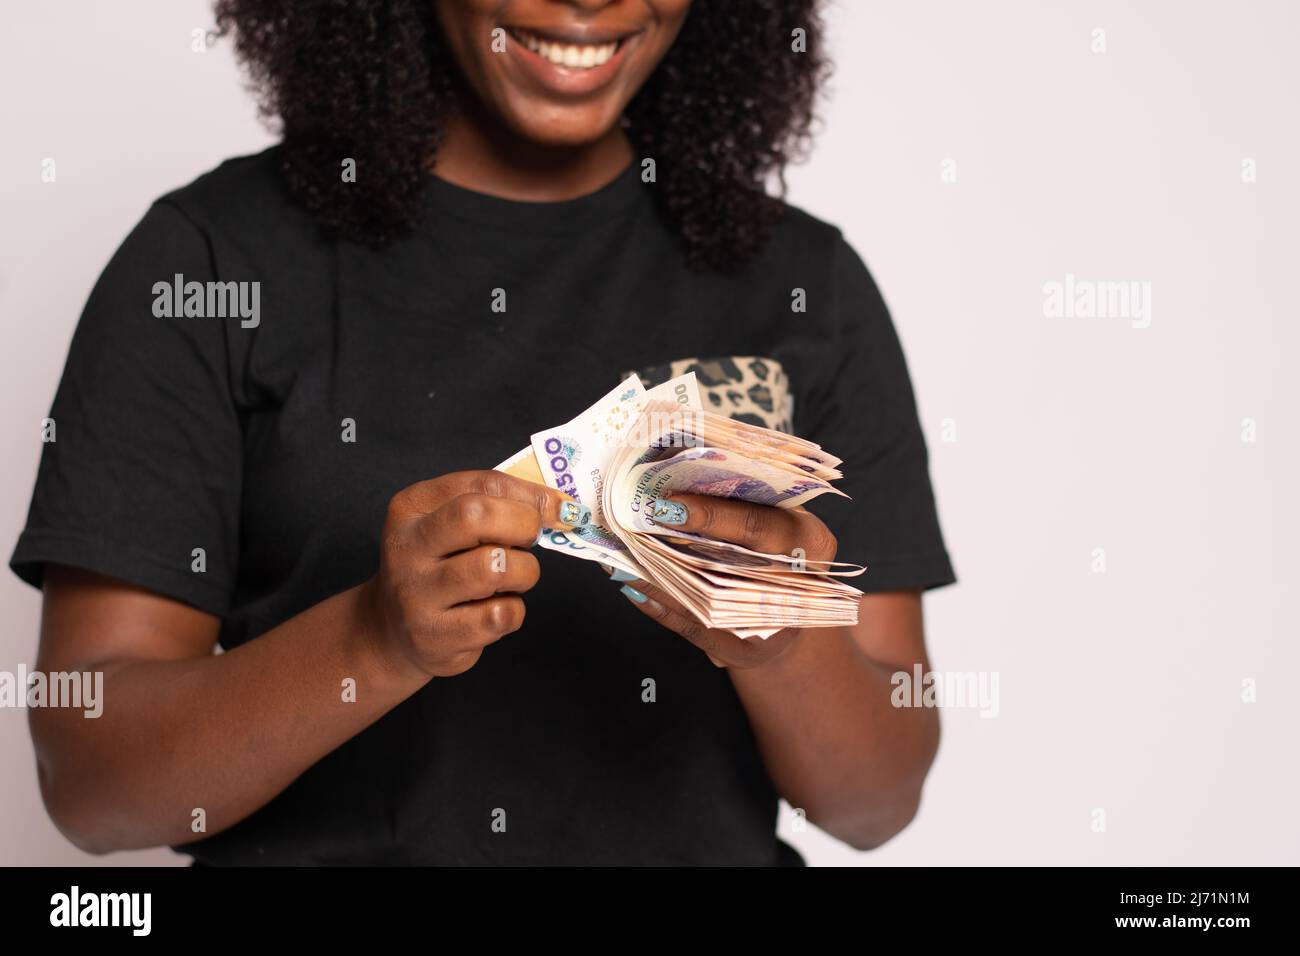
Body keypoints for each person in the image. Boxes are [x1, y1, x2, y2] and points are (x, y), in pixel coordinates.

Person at [11, 0, 955, 865]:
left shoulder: (808, 286)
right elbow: (91, 789)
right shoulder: (212, 264)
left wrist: (783, 643)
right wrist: (374, 642)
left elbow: (876, 803)